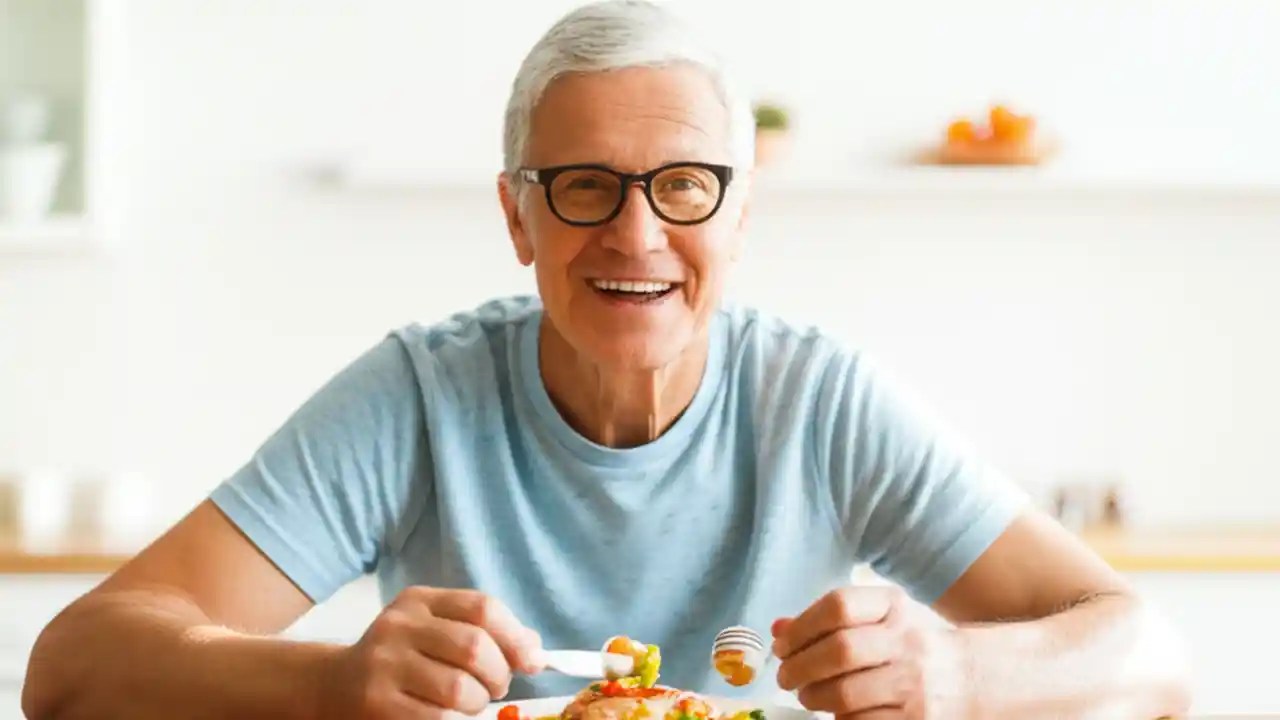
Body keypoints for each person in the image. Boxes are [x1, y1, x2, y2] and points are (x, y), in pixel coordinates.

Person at [23, 1, 1191, 718]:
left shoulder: (818, 402)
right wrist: (325, 689)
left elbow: (1147, 658)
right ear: (518, 217)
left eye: (684, 186)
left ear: (740, 218)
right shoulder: (419, 400)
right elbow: (72, 669)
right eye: (582, 187)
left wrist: (964, 679)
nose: (635, 234)